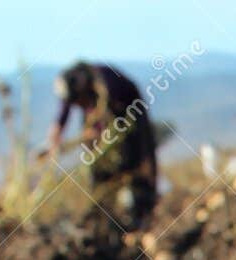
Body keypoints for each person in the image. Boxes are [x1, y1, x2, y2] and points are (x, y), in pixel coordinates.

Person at [45, 62, 158, 229]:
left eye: (79, 101)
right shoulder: (73, 86)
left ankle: (141, 209)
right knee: (96, 166)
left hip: (128, 119)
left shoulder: (106, 83)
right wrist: (56, 133)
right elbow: (64, 111)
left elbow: (112, 117)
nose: (77, 105)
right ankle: (103, 211)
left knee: (133, 162)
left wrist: (100, 132)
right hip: (101, 124)